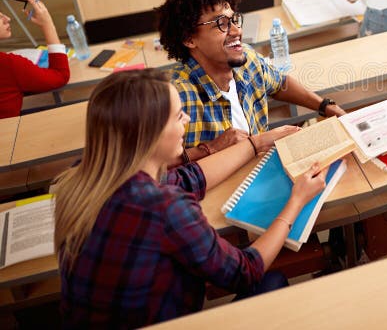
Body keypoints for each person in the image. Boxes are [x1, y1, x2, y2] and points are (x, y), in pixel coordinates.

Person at [53, 70, 327, 328]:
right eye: (178, 115)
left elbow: (188, 178)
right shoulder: (164, 206)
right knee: (272, 282)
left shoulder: (83, 179)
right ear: (149, 133)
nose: (186, 120)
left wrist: (256, 143)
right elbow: (245, 272)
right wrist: (296, 200)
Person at [155, 0, 345, 163]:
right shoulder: (178, 95)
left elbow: (279, 83)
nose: (236, 30)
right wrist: (211, 148)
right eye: (222, 23)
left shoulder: (248, 60)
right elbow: (154, 164)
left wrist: (325, 106)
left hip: (256, 170)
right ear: (189, 39)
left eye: (234, 20)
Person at [0, 0, 69, 118]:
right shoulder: (8, 64)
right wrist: (47, 24)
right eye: (0, 17)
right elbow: (60, 76)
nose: (7, 19)